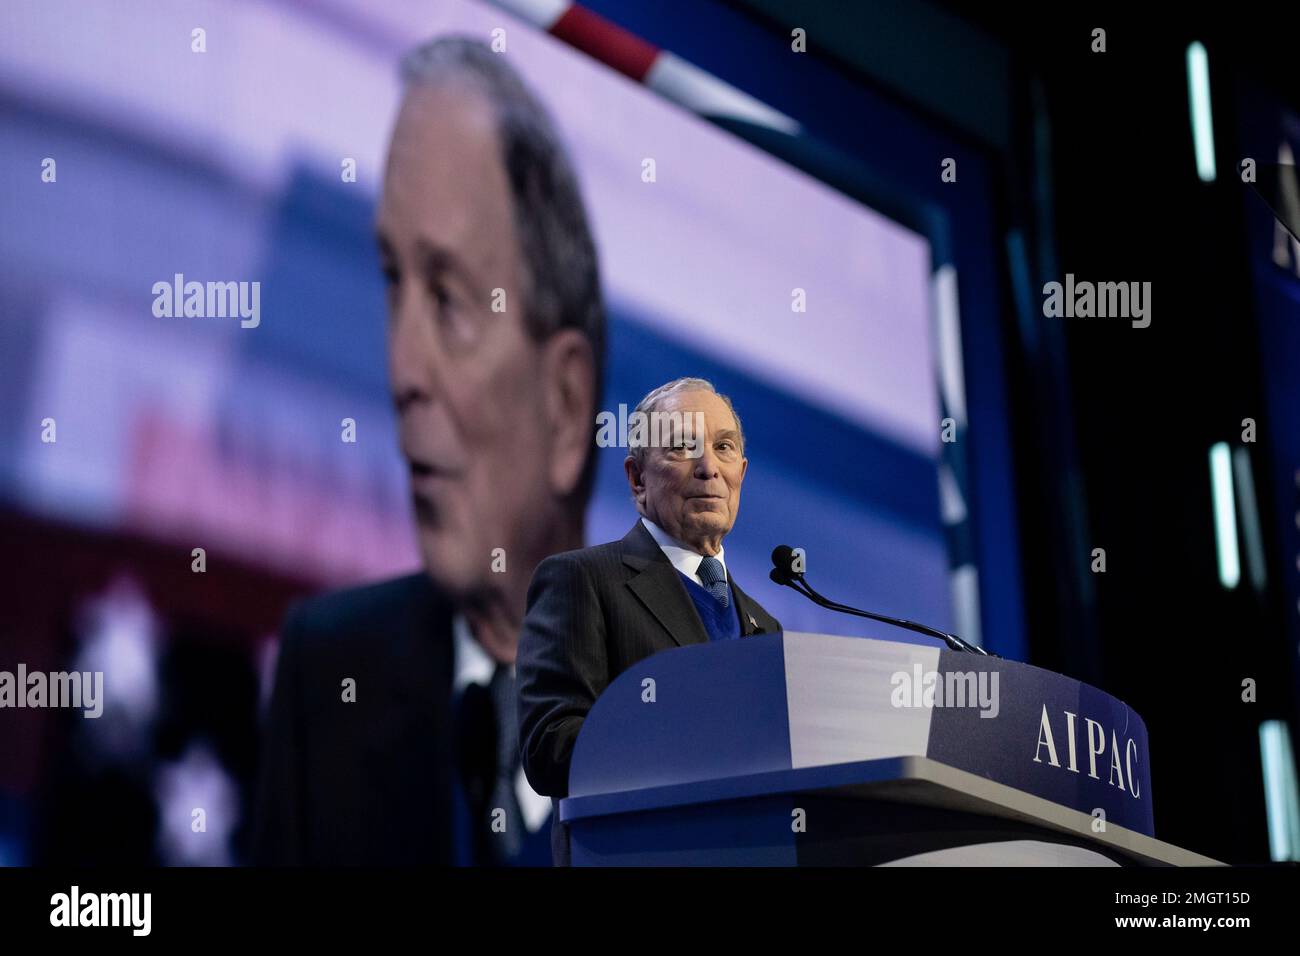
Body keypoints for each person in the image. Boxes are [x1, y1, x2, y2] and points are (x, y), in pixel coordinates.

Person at [253, 36, 604, 866]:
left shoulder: (706, 716)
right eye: (391, 284)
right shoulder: (325, 677)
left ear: (563, 405)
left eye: (448, 298)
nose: (401, 369)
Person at [517, 377, 782, 865]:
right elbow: (550, 749)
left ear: (741, 472)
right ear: (637, 478)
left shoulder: (767, 629)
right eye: (683, 446)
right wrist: (694, 742)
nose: (708, 468)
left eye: (724, 448)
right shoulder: (582, 581)